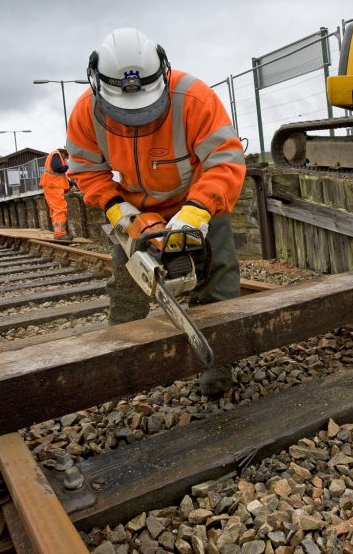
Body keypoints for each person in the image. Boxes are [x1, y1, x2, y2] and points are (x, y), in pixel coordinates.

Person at [66, 28, 246, 398]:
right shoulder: (86, 113)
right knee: (127, 285)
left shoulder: (193, 98)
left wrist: (198, 210)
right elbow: (86, 171)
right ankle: (120, 357)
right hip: (136, 208)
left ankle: (219, 362)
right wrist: (120, 210)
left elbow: (225, 160)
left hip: (198, 200)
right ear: (99, 88)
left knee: (220, 278)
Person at [40, 147, 73, 241]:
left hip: (51, 186)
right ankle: (60, 234)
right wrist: (67, 166)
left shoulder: (54, 155)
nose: (65, 160)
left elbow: (59, 175)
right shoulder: (56, 154)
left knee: (56, 210)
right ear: (63, 154)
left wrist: (71, 184)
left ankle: (58, 232)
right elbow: (58, 168)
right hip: (53, 186)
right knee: (60, 210)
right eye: (65, 157)